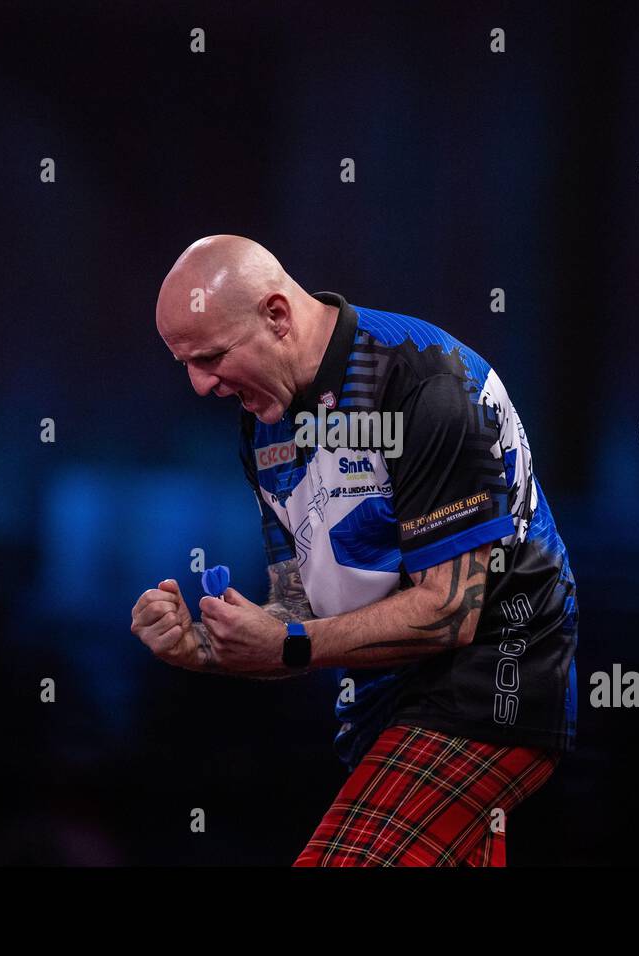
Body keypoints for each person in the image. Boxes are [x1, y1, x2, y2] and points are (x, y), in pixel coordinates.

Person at [132, 235, 578, 866]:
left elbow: (450, 613)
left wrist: (286, 642)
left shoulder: (426, 381)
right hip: (385, 710)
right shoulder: (265, 421)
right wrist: (210, 647)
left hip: (490, 688)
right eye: (183, 363)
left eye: (209, 357)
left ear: (277, 316)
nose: (200, 386)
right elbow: (300, 613)